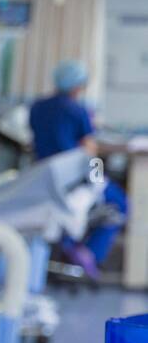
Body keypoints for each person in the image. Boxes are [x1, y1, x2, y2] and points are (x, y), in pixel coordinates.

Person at [29, 59, 126, 278]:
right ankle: (87, 253)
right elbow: (89, 149)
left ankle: (68, 242)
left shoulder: (37, 107)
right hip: (74, 180)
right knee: (120, 204)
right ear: (77, 86)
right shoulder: (77, 110)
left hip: (42, 179)